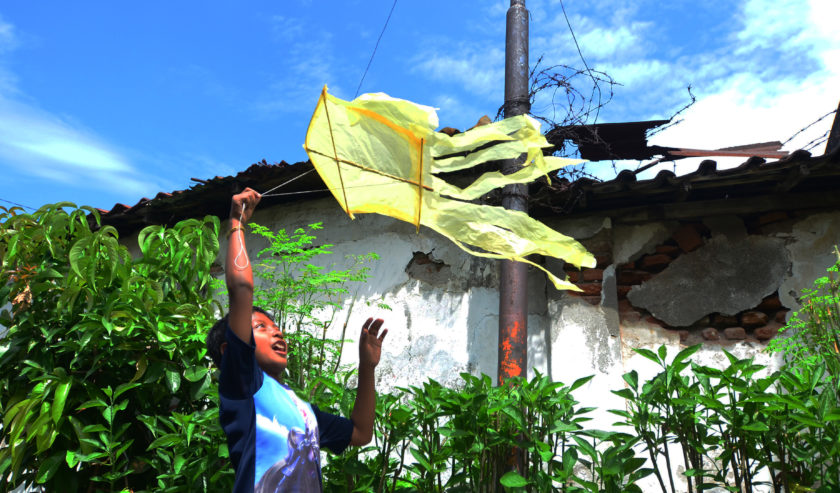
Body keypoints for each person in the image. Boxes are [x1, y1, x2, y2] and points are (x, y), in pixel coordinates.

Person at [205, 188, 388, 492]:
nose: (276, 332)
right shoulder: (242, 385)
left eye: (276, 326)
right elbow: (241, 291)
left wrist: (367, 368)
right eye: (260, 327)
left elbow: (360, 433)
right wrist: (236, 223)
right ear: (230, 351)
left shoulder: (303, 412)